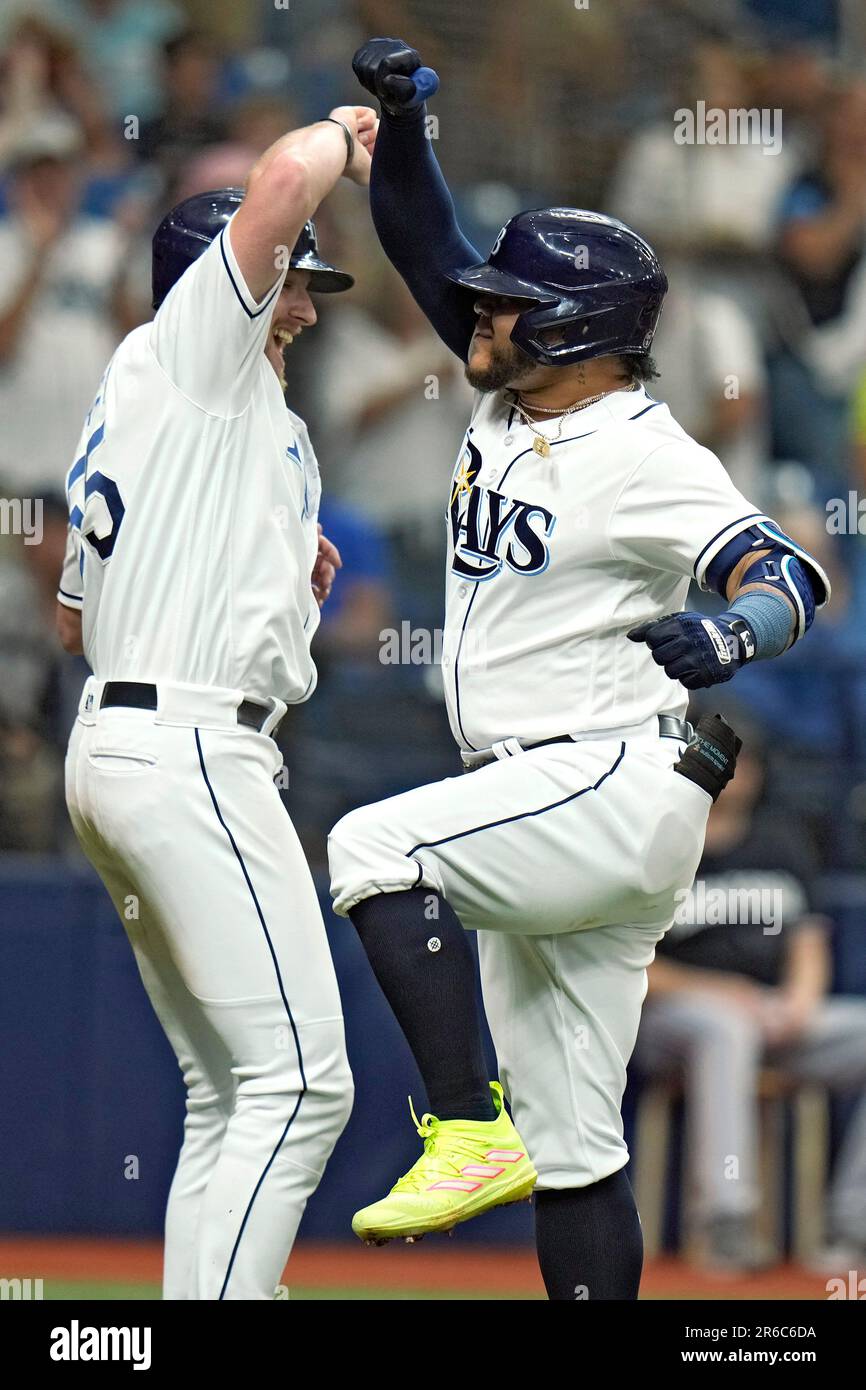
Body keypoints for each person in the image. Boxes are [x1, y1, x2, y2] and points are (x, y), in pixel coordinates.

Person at [326, 38, 831, 1301]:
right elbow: (424, 239)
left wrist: (730, 635)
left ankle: (460, 1125)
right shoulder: (515, 390)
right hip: (548, 798)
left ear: (571, 325)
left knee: (371, 851)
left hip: (605, 779)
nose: (477, 311)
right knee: (581, 1157)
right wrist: (408, 125)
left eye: (505, 301)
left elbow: (787, 573)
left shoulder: (641, 453)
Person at [56, 104, 378, 1300]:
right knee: (302, 1085)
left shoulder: (199, 408)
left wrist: (258, 565)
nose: (302, 303)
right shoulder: (191, 346)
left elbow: (78, 617)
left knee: (228, 1090)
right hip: (189, 746)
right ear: (217, 281)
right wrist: (351, 134)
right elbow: (286, 175)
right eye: (288, 278)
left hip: (129, 739)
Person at [635, 734, 866, 1275]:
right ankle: (727, 1222)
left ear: (757, 775)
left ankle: (854, 1227)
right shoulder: (656, 840)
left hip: (768, 1018)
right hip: (673, 1026)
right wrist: (723, 995)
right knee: (726, 1027)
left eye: (739, 765)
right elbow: (633, 968)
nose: (729, 777)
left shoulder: (780, 842)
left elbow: (808, 942)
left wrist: (798, 1002)